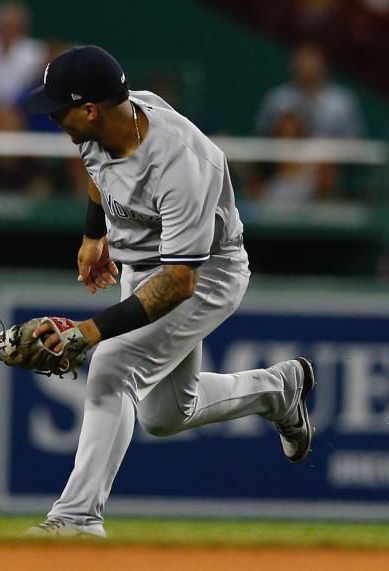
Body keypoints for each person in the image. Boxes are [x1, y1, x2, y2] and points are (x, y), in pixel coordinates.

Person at [19, 45, 316, 538]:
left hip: (204, 274)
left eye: (59, 107)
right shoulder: (107, 118)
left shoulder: (182, 161)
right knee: (163, 415)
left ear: (90, 108)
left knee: (112, 366)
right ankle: (276, 390)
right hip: (143, 265)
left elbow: (180, 281)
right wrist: (95, 235)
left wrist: (90, 332)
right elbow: (99, 171)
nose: (53, 117)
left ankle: (75, 520)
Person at [255, 43, 364, 139]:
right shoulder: (278, 98)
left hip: (331, 159)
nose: (307, 67)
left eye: (312, 61)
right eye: (303, 61)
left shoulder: (342, 101)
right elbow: (263, 136)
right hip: (285, 159)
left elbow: (354, 140)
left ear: (323, 65)